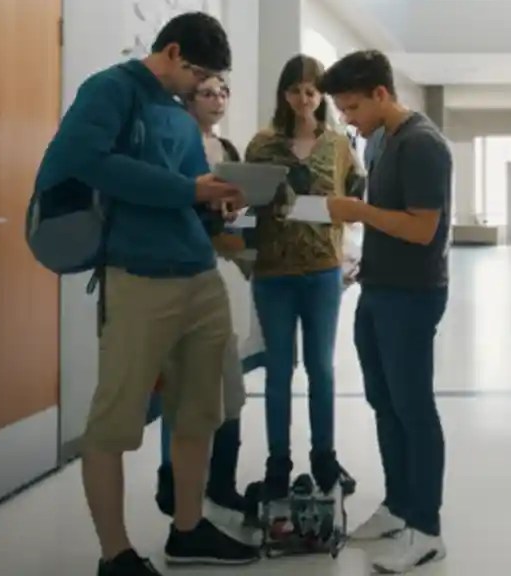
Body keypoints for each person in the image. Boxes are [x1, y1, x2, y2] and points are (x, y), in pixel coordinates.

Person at [33, 12, 259, 575]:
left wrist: (216, 201)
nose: (203, 87)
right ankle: (116, 556)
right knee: (113, 421)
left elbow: (183, 191)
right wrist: (187, 187)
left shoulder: (180, 119)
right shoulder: (109, 90)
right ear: (172, 51)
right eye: (199, 73)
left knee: (199, 413)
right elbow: (84, 162)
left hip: (198, 275)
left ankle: (188, 531)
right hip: (136, 277)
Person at [322, 50, 452, 573]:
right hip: (377, 289)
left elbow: (422, 230)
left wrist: (357, 213)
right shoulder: (382, 142)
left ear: (381, 94)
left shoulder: (422, 144)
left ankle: (427, 528)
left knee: (413, 407)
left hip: (412, 296)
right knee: (384, 402)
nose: (347, 119)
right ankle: (398, 506)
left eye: (352, 107)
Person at [246, 54, 365, 501]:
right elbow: (247, 203)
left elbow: (356, 194)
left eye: (311, 91)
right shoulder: (262, 144)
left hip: (322, 271)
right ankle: (278, 462)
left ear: (322, 97)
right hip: (274, 272)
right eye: (294, 90)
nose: (303, 99)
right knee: (278, 370)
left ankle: (324, 458)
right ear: (283, 94)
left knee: (321, 368)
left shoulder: (338, 144)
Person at [154, 75, 250, 517]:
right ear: (187, 100)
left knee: (229, 388)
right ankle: (173, 485)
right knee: (181, 389)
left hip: (217, 274)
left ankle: (222, 483)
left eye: (223, 92)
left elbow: (233, 210)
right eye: (208, 92)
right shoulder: (170, 145)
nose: (218, 100)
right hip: (176, 277)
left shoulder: (228, 151)